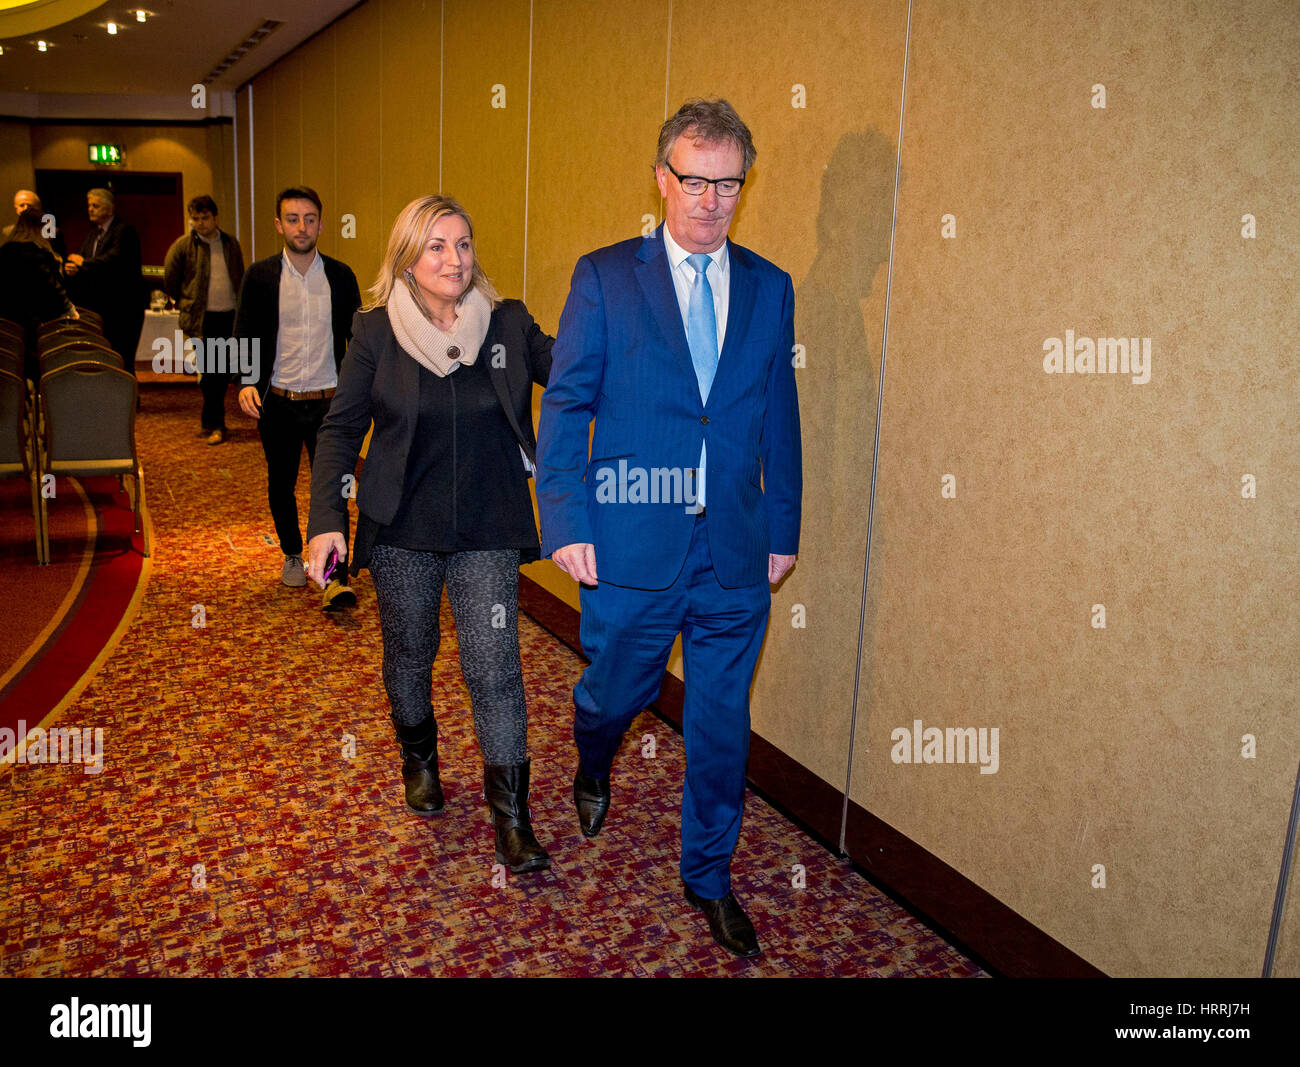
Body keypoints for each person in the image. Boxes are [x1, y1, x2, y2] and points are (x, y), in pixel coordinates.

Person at [536, 98, 802, 957]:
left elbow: (779, 418)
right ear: (663, 178)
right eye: (695, 180)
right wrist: (568, 518)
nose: (711, 200)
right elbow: (568, 402)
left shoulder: (769, 286)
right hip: (629, 543)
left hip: (731, 549)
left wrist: (783, 525)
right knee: (621, 691)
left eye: (729, 184)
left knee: (721, 723)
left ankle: (708, 875)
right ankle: (591, 750)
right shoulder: (606, 275)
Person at [304, 195, 554, 874]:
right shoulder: (376, 333)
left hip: (488, 525)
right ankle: (420, 757)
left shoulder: (507, 323)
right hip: (402, 530)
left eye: (464, 244)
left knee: (494, 667)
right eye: (438, 245)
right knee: (409, 655)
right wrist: (326, 519)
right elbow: (340, 431)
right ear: (409, 257)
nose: (454, 258)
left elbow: (571, 374)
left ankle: (512, 820)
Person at [233, 186, 361, 610]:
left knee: (333, 488)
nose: (302, 227)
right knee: (281, 483)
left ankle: (333, 574)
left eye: (309, 219)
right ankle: (292, 552)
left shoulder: (341, 277)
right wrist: (247, 381)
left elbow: (357, 341)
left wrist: (361, 389)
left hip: (330, 404)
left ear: (321, 225)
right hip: (279, 402)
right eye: (292, 218)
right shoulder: (261, 276)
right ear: (279, 225)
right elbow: (245, 334)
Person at [164, 195, 246, 445]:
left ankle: (210, 419)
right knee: (210, 372)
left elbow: (239, 276)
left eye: (205, 218)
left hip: (228, 316)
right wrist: (188, 302)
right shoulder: (183, 246)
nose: (200, 223)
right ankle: (216, 424)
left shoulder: (231, 244)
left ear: (215, 217)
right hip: (202, 319)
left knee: (222, 372)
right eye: (195, 219)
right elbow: (171, 279)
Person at [63, 188, 144, 377]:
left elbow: (115, 261)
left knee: (122, 354)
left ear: (110, 208)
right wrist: (74, 269)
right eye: (89, 206)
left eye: (95, 206)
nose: (90, 209)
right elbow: (85, 261)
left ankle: (128, 399)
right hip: (100, 306)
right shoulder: (93, 234)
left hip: (123, 306)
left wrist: (83, 263)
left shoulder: (124, 231)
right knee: (105, 354)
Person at [0, 207, 77, 374]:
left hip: (7, 327)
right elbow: (52, 289)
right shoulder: (39, 254)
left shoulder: (4, 252)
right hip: (36, 326)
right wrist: (69, 308)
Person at [5, 190, 68, 262]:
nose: (26, 208)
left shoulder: (53, 232)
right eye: (22, 205)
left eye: (30, 205)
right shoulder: (8, 233)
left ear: (39, 207)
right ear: (16, 209)